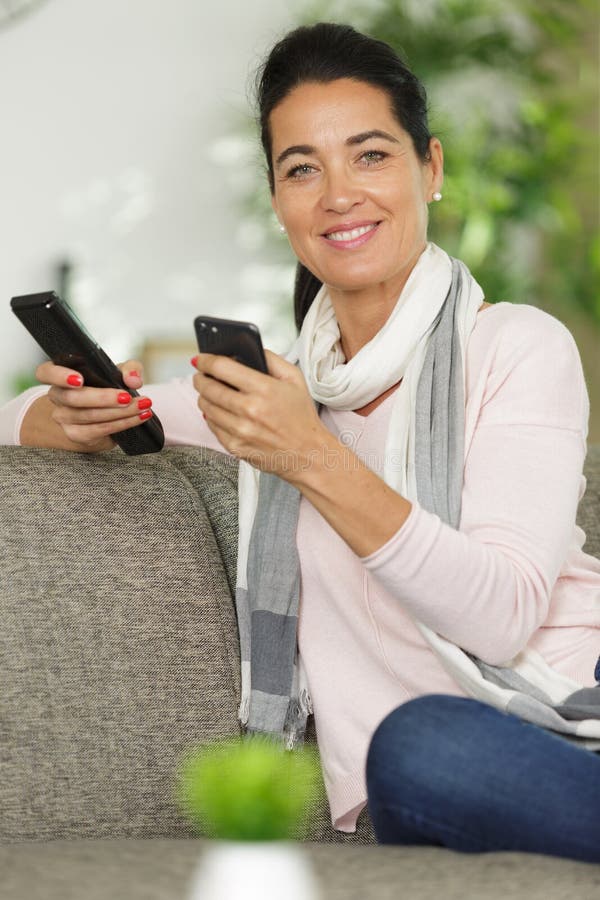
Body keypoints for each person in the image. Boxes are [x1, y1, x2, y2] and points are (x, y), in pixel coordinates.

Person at [1, 22, 599, 861]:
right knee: (420, 748)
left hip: (571, 721)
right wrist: (58, 417)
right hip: (429, 781)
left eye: (372, 155)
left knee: (429, 740)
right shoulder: (261, 398)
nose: (338, 194)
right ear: (279, 200)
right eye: (302, 169)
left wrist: (307, 454)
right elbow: (19, 416)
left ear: (430, 169)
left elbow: (498, 616)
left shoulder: (519, 346)